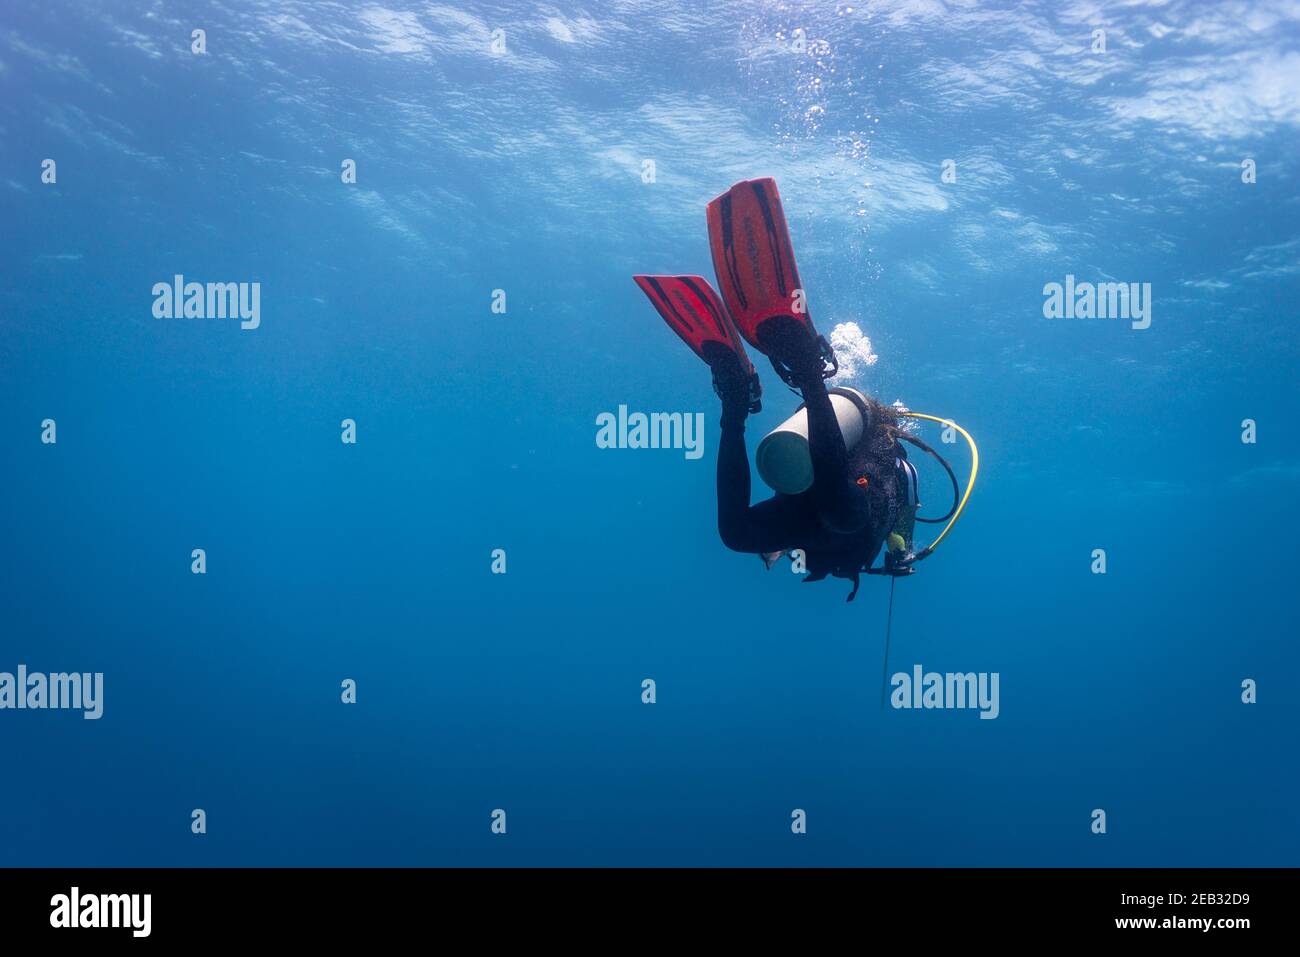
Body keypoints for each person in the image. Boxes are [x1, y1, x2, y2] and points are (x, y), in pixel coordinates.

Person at [634, 178, 919, 601]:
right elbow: (900, 530)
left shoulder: (872, 449)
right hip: (839, 525)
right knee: (836, 513)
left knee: (735, 534)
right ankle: (805, 372)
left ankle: (737, 401)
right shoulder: (898, 460)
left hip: (809, 519)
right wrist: (901, 555)